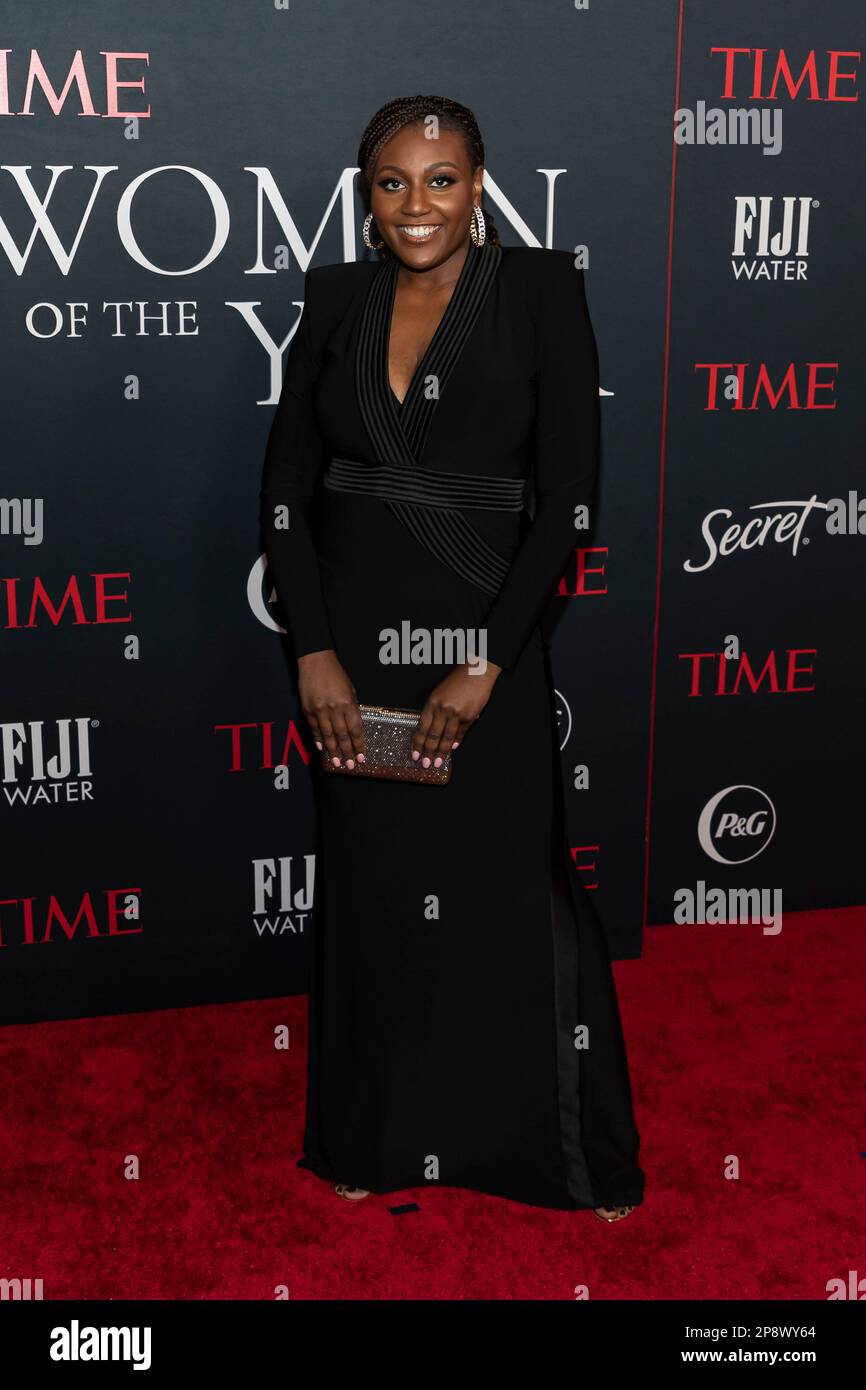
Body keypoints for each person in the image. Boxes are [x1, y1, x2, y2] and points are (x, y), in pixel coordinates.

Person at [260, 94, 644, 1221]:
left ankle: (568, 1156)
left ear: (479, 186)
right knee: (377, 893)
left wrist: (486, 656)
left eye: (440, 178)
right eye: (391, 180)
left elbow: (568, 502)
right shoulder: (334, 298)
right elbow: (286, 490)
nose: (415, 203)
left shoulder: (537, 293)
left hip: (486, 645)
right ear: (364, 194)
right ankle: (373, 1139)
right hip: (355, 651)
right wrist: (314, 651)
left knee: (512, 891)